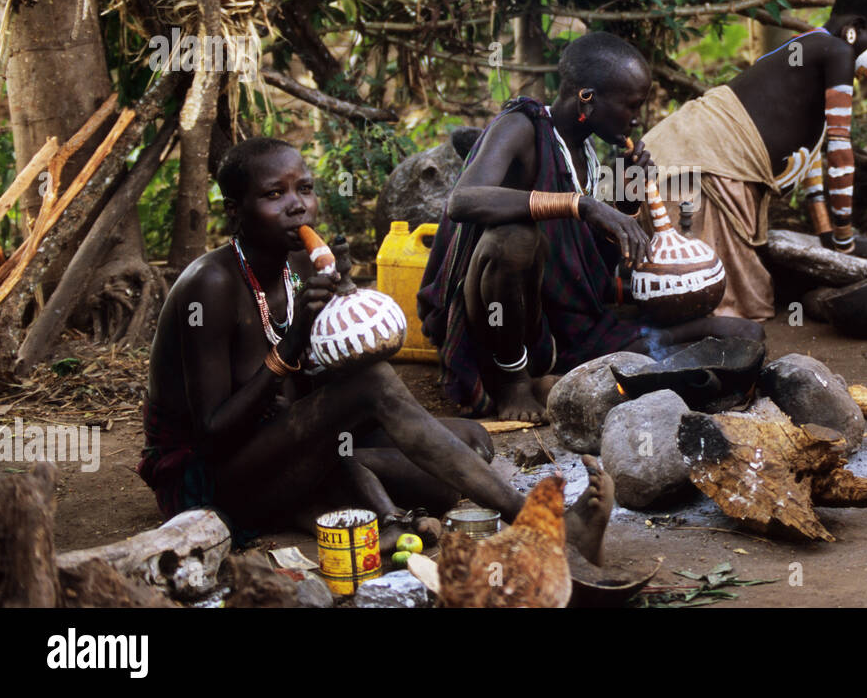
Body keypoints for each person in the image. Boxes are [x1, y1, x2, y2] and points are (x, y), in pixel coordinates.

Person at [138, 137, 613, 562]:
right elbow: (212, 432)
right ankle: (544, 524)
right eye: (272, 194)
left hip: (283, 444)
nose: (296, 206)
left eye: (303, 188)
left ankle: (346, 501)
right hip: (216, 478)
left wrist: (343, 306)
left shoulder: (299, 265)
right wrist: (297, 338)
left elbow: (313, 386)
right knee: (378, 385)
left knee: (469, 444)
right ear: (233, 209)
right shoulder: (211, 286)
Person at [419, 32, 761, 423]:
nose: (637, 118)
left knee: (742, 336)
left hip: (573, 326)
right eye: (631, 105)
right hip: (509, 322)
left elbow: (591, 269)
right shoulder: (522, 126)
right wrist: (581, 205)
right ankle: (512, 383)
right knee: (514, 239)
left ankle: (559, 379)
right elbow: (463, 201)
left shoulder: (587, 154)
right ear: (587, 97)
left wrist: (628, 196)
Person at [639, 0, 867, 321]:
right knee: (727, 303)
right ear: (855, 29)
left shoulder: (807, 48)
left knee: (746, 294)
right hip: (696, 169)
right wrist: (845, 241)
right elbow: (841, 153)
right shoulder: (838, 52)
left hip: (669, 161)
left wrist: (827, 234)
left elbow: (813, 155)